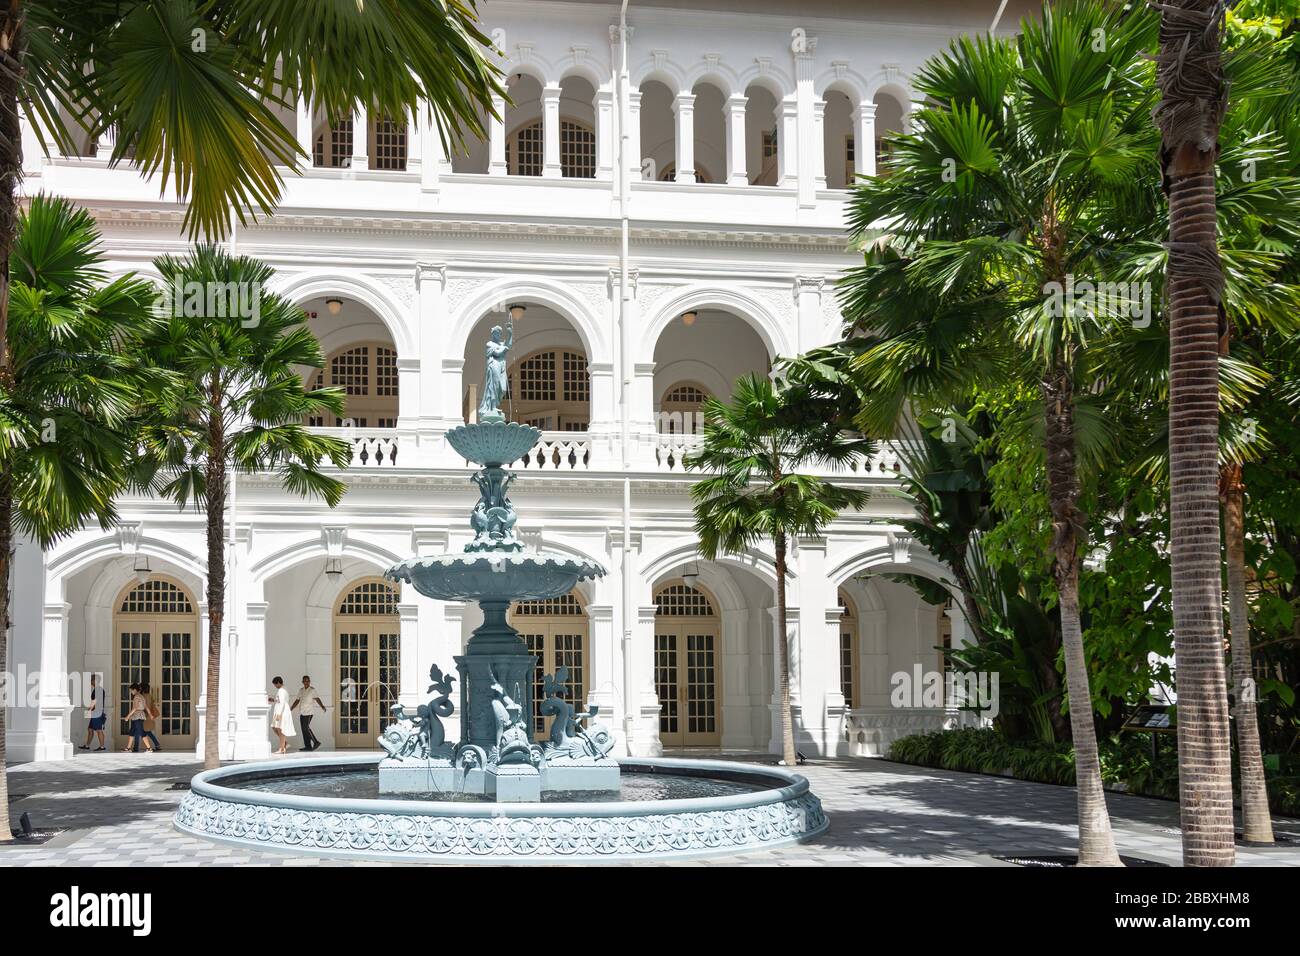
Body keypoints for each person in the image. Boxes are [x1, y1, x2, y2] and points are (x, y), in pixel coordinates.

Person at [290, 675, 326, 752]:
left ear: (309, 681)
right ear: (302, 682)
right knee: (303, 729)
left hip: (309, 712)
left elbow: (317, 699)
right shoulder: (301, 690)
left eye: (308, 681)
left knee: (306, 727)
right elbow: (297, 700)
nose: (306, 682)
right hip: (302, 712)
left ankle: (316, 742)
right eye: (305, 681)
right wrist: (291, 708)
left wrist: (322, 706)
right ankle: (308, 746)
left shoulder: (312, 690)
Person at [121, 683, 154, 753]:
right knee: (132, 731)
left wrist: (128, 716)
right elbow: (146, 707)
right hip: (140, 715)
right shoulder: (141, 696)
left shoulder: (136, 697)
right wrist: (150, 715)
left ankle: (149, 748)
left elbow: (135, 708)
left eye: (131, 690)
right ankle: (128, 748)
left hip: (137, 716)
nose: (131, 692)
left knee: (141, 732)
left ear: (135, 690)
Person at [79, 673, 107, 751]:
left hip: (97, 712)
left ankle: (102, 747)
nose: (90, 682)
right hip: (95, 712)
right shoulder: (97, 689)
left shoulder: (98, 689)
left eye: (91, 680)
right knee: (90, 729)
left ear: (95, 680)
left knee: (98, 730)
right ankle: (87, 745)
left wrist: (89, 709)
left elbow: (95, 700)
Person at [268, 676, 297, 754]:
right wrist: (273, 700)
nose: (275, 686)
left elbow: (282, 703)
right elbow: (280, 700)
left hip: (281, 711)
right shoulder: (284, 689)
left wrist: (279, 715)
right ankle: (285, 744)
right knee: (275, 728)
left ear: (278, 682)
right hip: (283, 711)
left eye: (275, 685)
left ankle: (282, 748)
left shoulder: (281, 690)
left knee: (280, 729)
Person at [138, 681, 163, 752]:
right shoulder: (149, 695)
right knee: (147, 731)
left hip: (145, 716)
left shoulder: (142, 697)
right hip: (149, 716)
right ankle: (156, 745)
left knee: (143, 731)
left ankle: (147, 747)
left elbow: (144, 707)